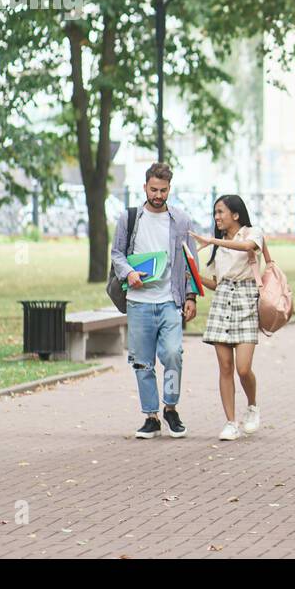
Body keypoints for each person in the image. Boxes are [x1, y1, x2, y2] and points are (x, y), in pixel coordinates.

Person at [109, 163, 199, 439]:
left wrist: (191, 296)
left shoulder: (181, 220)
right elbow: (117, 254)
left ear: (170, 189)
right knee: (141, 361)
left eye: (163, 190)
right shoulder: (130, 218)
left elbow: (189, 261)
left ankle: (170, 408)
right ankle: (151, 416)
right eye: (153, 189)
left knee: (173, 354)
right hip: (138, 301)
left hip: (169, 300)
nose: (158, 195)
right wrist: (129, 273)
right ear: (145, 187)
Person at [191, 195, 264, 442]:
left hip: (246, 301)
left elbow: (248, 248)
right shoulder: (218, 245)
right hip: (222, 301)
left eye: (220, 212)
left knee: (243, 369)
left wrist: (212, 240)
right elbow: (216, 282)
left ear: (235, 214)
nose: (217, 217)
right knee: (225, 367)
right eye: (215, 213)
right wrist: (195, 275)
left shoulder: (253, 233)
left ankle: (252, 406)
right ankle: (231, 422)